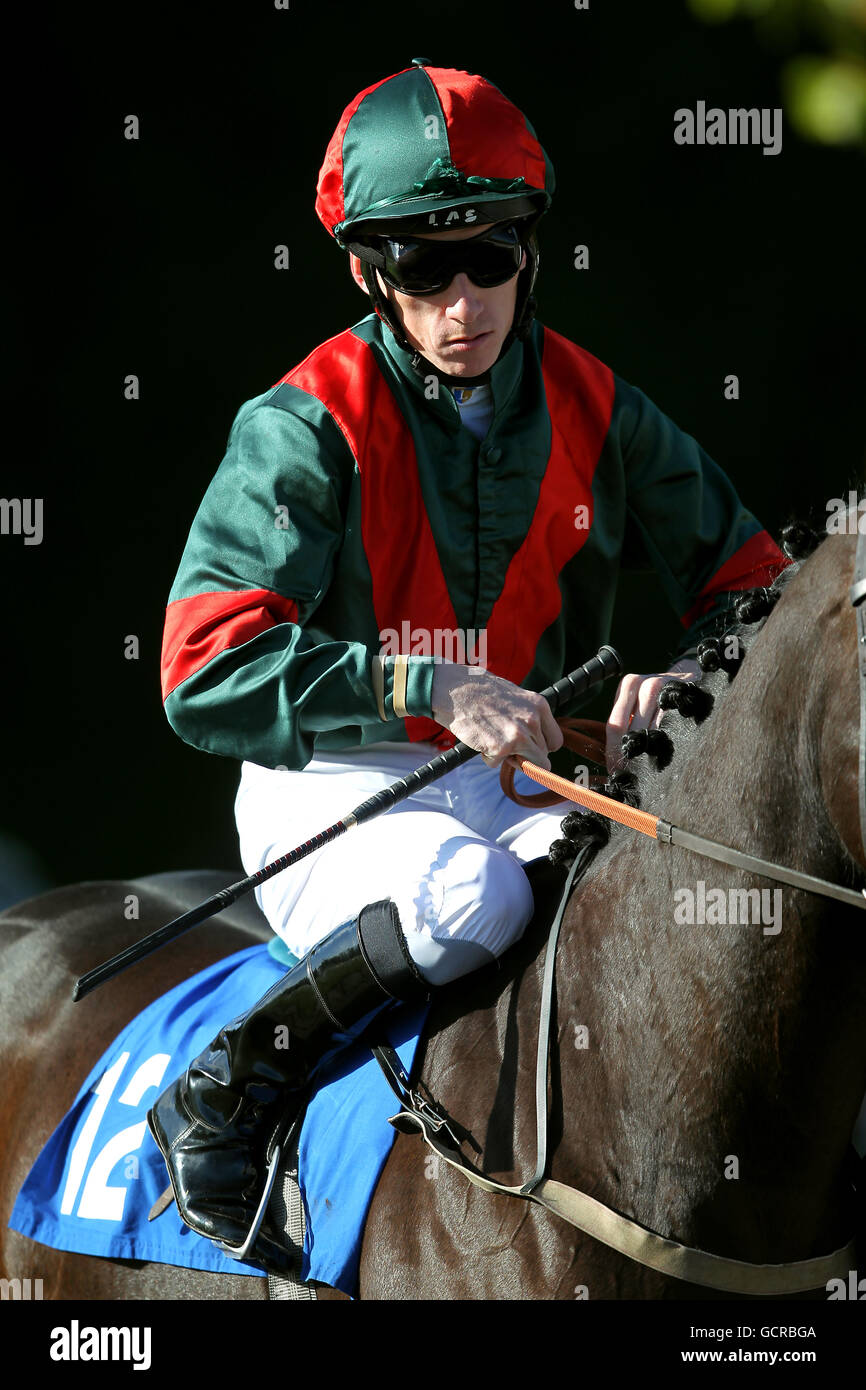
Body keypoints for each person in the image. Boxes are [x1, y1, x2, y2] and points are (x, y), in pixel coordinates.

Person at [147, 60, 787, 1269]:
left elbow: (750, 577)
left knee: (655, 887)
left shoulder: (594, 402)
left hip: (517, 778)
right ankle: (230, 1086)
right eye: (421, 270)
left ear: (528, 250)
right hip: (331, 781)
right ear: (362, 273)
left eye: (487, 258)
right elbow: (197, 670)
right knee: (473, 901)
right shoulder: (301, 423)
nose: (461, 301)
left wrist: (691, 676)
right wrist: (422, 686)